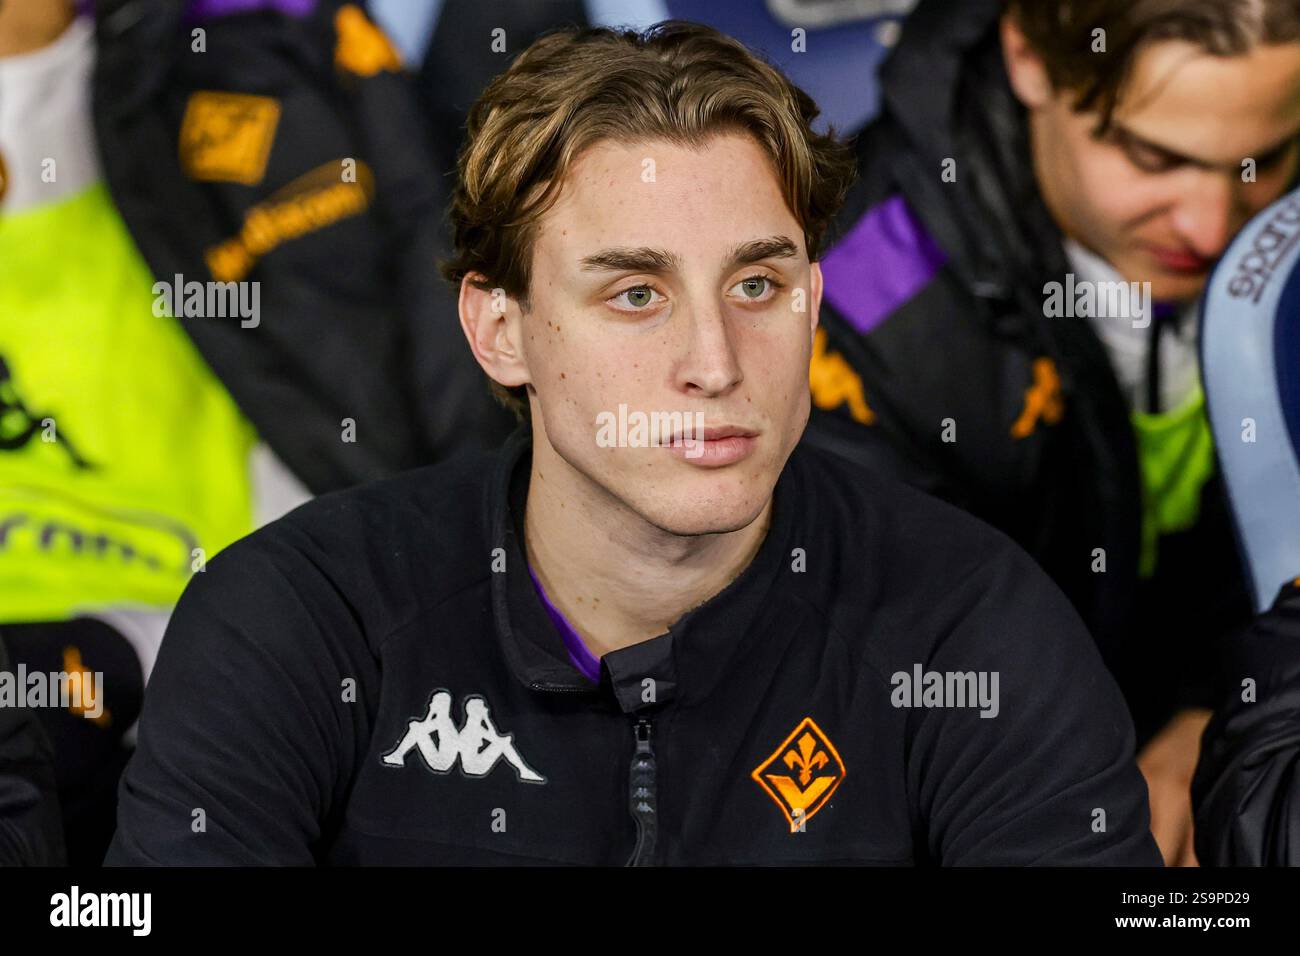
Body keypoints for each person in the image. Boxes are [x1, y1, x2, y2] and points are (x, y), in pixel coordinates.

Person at [106, 20, 1160, 866]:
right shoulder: (297, 617)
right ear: (499, 329)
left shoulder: (971, 625)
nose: (715, 360)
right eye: (635, 292)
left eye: (758, 284)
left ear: (814, 302)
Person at [803, 0, 1300, 864]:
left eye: (1267, 159)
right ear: (1029, 54)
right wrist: (1095, 790)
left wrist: (1221, 711)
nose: (1216, 227)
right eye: (1153, 156)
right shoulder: (854, 310)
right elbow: (877, 696)